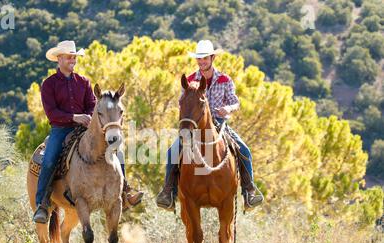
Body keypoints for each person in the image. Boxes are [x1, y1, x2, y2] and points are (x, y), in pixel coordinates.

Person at [33, 40, 143, 224]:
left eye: (74, 57)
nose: (72, 60)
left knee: (118, 150)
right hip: (61, 129)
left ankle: (125, 191)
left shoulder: (84, 82)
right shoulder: (49, 85)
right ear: (59, 59)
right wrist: (74, 117)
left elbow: (93, 106)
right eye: (69, 57)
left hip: (86, 128)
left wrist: (89, 118)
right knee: (50, 158)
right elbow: (51, 112)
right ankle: (42, 204)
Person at [156, 40, 264, 210]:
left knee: (244, 150)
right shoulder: (190, 79)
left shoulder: (224, 79)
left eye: (205, 58)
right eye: (199, 59)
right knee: (172, 152)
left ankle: (249, 192)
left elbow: (235, 102)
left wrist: (227, 108)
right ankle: (168, 192)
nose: (201, 62)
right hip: (194, 126)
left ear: (212, 58)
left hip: (219, 125)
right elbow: (182, 101)